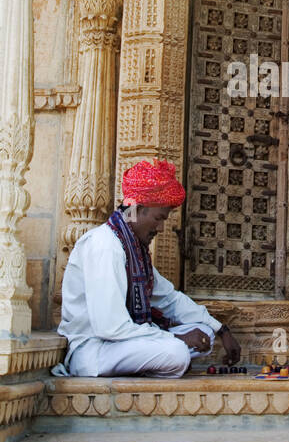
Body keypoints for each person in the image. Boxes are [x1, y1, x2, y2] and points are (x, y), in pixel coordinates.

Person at [57, 159, 241, 378]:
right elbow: (110, 327)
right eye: (159, 218)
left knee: (205, 335)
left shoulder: (134, 250)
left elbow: (169, 299)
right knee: (177, 353)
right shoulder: (105, 245)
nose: (161, 228)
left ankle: (154, 362)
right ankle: (159, 364)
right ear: (138, 209)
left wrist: (222, 330)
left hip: (121, 344)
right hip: (94, 350)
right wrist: (177, 339)